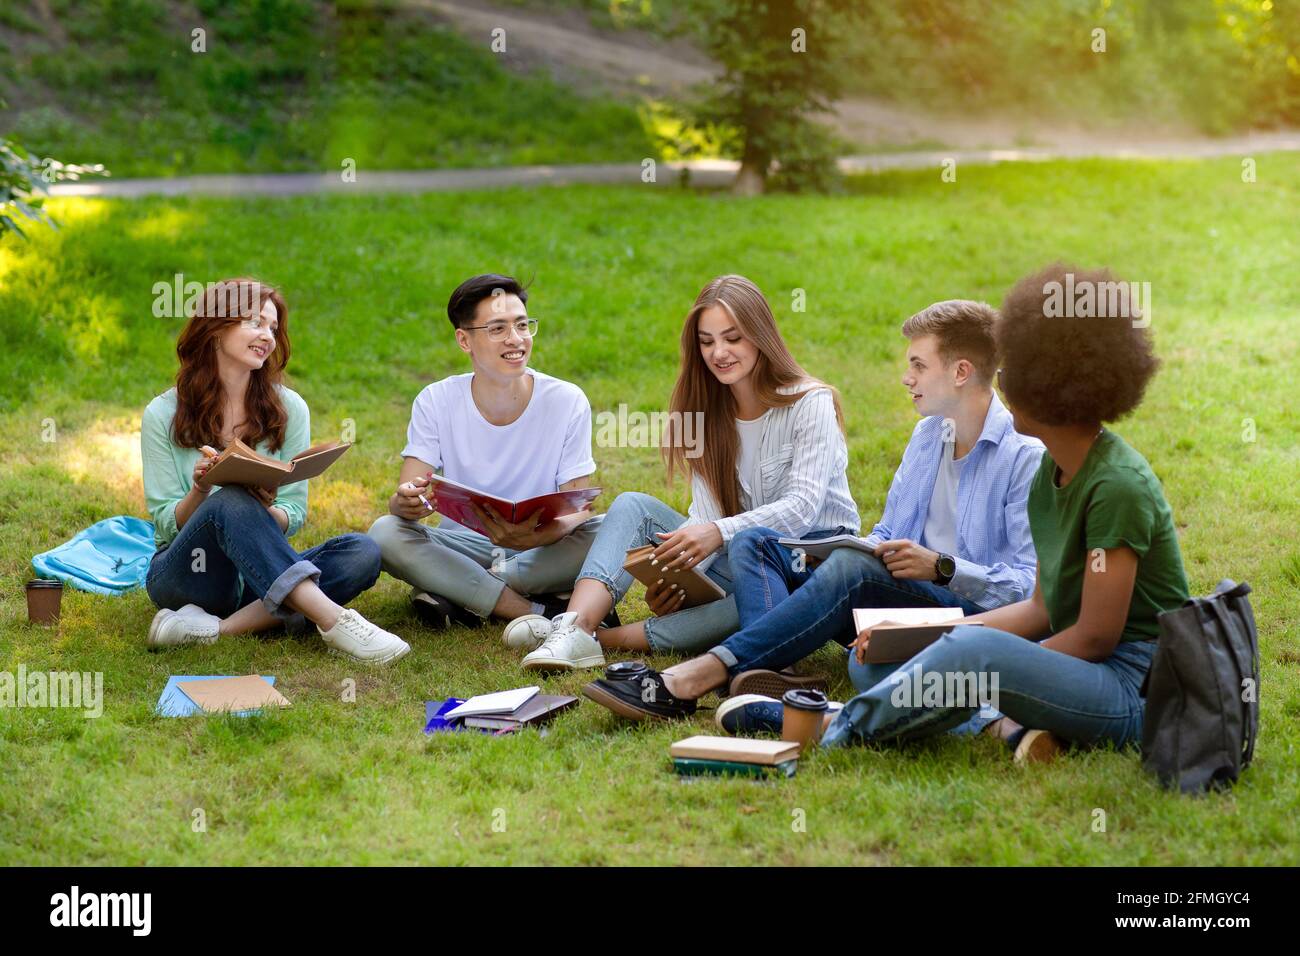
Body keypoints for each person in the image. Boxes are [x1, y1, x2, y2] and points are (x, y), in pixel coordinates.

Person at [719, 265, 1191, 765]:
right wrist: (923, 640)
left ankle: (829, 724)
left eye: (1016, 375)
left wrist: (966, 659)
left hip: (1127, 690)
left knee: (969, 655)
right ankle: (999, 727)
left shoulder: (1116, 485)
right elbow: (1039, 610)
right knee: (880, 662)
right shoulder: (1052, 474)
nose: (1002, 386)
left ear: (1055, 388)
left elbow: (1096, 637)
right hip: (1065, 663)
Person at [581, 299, 1044, 718]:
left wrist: (941, 568)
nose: (907, 378)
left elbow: (1029, 591)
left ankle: (698, 676)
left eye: (918, 366)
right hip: (894, 599)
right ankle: (771, 673)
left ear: (961, 372)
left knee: (848, 569)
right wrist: (863, 550)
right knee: (757, 543)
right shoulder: (929, 435)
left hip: (966, 612)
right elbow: (886, 531)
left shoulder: (1024, 456)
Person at [507, 274, 860, 672]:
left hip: (808, 566)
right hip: (740, 557)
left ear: (761, 335)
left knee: (744, 606)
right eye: (707, 342)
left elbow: (802, 510)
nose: (719, 353)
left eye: (733, 338)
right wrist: (679, 580)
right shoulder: (704, 415)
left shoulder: (810, 402)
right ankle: (575, 626)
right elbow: (708, 516)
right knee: (633, 507)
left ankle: (597, 639)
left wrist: (717, 534)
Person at [142, 278, 409, 664]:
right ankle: (335, 622)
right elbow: (168, 526)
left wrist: (264, 507)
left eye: (272, 327)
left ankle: (215, 630)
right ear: (216, 328)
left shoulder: (290, 408)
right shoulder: (163, 414)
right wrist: (202, 490)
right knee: (229, 499)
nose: (267, 336)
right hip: (189, 575)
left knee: (362, 552)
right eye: (254, 323)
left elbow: (294, 515)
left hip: (257, 575)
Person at [368, 274, 608, 631]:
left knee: (611, 532)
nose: (516, 340)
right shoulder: (436, 400)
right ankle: (534, 610)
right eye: (497, 329)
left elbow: (577, 510)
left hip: (543, 548)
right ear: (464, 339)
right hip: (466, 545)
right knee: (385, 533)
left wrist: (536, 537)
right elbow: (406, 502)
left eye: (523, 325)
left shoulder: (566, 400)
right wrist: (405, 502)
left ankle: (456, 588)